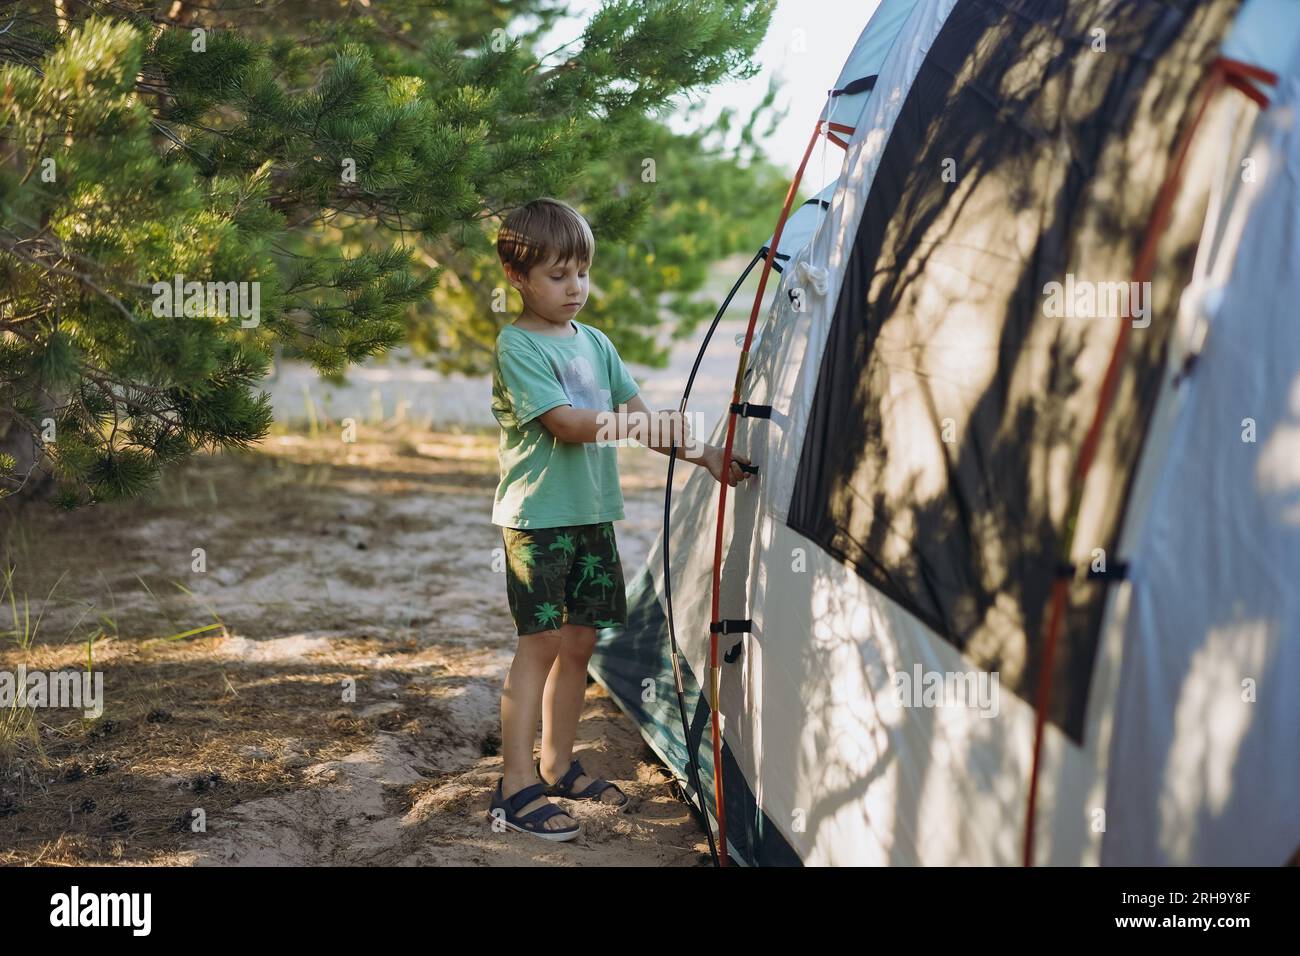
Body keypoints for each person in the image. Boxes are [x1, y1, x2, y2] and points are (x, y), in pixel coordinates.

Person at [487, 197, 753, 840]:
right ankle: (515, 785)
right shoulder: (518, 344)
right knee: (541, 645)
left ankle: (555, 764)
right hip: (541, 520)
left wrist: (704, 453)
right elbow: (568, 425)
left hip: (592, 516)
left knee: (580, 642)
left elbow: (641, 418)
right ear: (517, 277)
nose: (575, 286)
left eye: (582, 271)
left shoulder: (597, 344)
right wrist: (636, 425)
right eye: (558, 275)